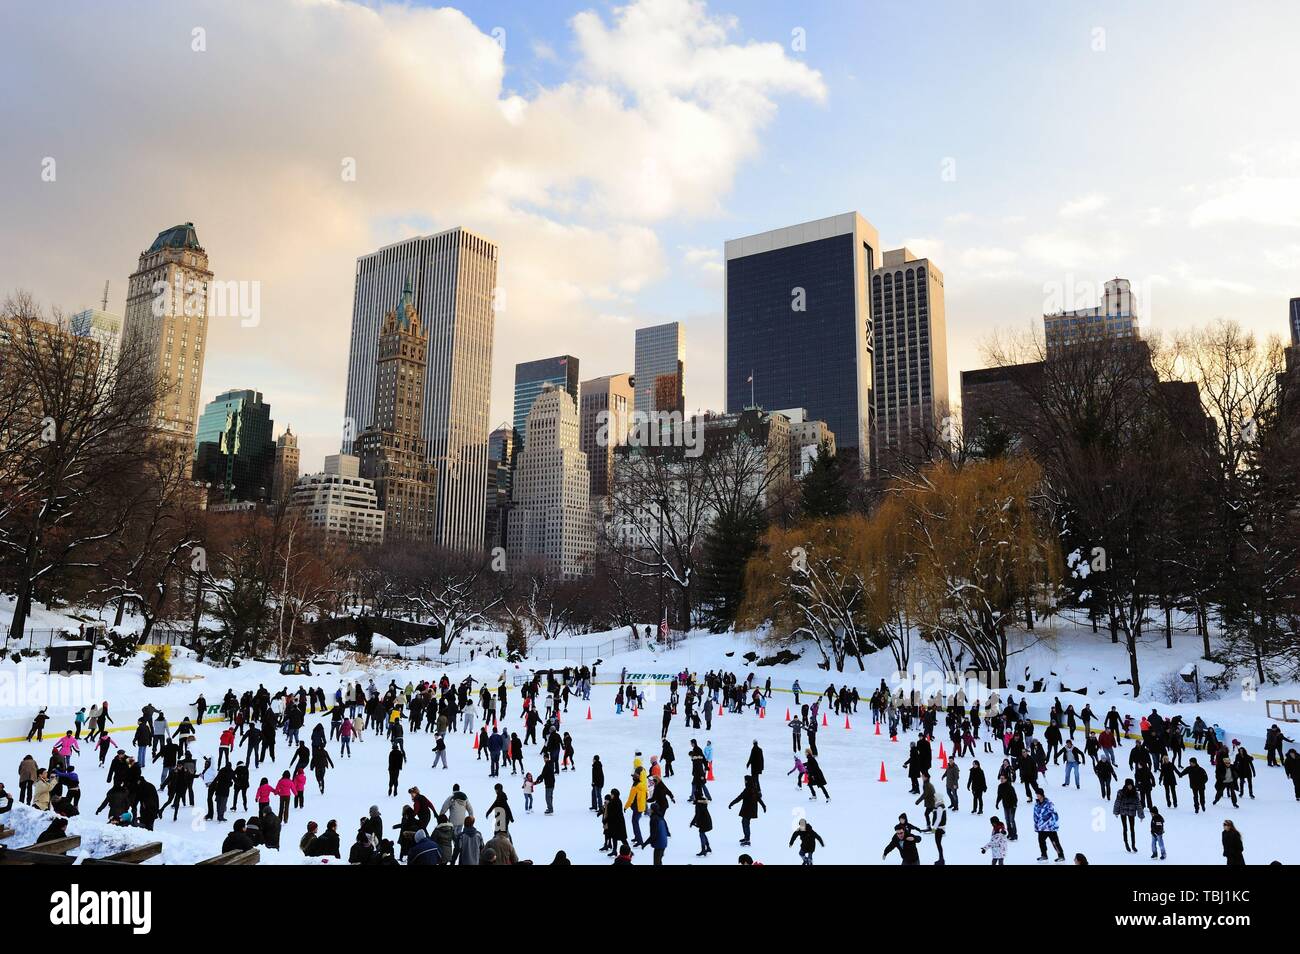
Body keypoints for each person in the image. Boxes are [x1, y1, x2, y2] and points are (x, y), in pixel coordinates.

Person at [727, 775, 766, 847]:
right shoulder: (753, 788)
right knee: (744, 822)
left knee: (745, 823)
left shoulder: (748, 789)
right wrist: (764, 806)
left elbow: (739, 798)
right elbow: (759, 799)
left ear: (747, 781)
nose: (744, 782)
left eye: (745, 780)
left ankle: (747, 840)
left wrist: (731, 803)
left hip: (748, 810)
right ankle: (746, 837)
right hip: (750, 809)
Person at [1032, 790, 1065, 862]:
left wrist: (1053, 824)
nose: (1037, 796)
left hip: (1050, 828)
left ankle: (1061, 856)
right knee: (1041, 842)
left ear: (1042, 795)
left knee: (1055, 842)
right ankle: (1044, 855)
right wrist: (1036, 825)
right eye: (1036, 794)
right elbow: (1035, 815)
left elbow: (1055, 814)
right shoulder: (1037, 804)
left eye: (1038, 794)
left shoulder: (1049, 803)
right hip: (1041, 828)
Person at [1113, 779, 1144, 853]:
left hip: (1131, 812)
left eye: (1131, 785)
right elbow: (1117, 802)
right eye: (1128, 785)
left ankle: (1133, 845)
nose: (1130, 786)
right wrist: (1116, 812)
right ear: (1126, 785)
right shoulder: (1121, 792)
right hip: (1123, 811)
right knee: (1125, 828)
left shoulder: (1135, 793)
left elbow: (1138, 804)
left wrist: (1141, 815)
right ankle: (1126, 843)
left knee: (1132, 829)